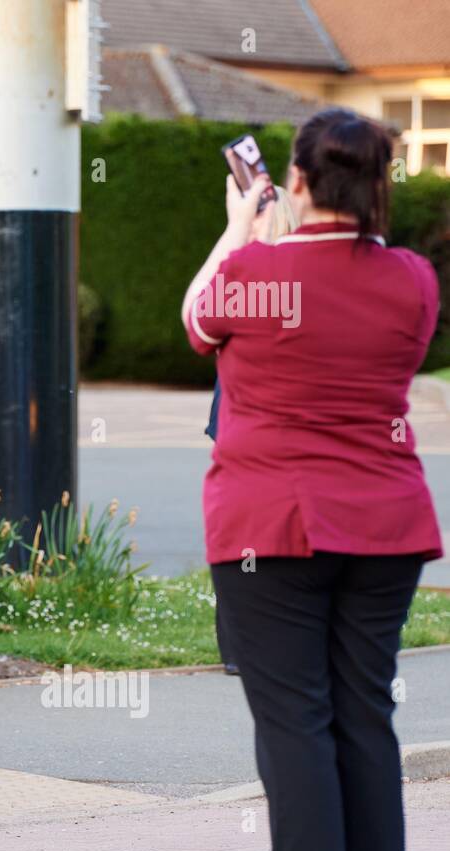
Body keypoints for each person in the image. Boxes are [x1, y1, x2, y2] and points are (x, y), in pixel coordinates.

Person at [181, 108, 443, 851]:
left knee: (295, 722)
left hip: (272, 528)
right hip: (387, 526)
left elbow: (196, 322)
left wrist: (241, 230)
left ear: (294, 180)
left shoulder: (255, 273)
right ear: (378, 184)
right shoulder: (413, 279)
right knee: (365, 715)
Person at [204, 185, 299, 677]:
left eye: (254, 213)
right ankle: (244, 647)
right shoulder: (244, 275)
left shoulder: (282, 280)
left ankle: (258, 645)